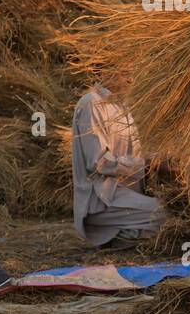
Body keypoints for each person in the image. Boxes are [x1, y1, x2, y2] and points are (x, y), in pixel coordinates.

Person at [70, 77, 166, 249]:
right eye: (127, 70)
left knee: (177, 211)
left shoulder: (122, 105)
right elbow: (99, 162)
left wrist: (160, 159)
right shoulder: (92, 103)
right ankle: (115, 236)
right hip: (103, 199)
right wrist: (147, 165)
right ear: (109, 67)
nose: (133, 77)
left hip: (124, 195)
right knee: (164, 215)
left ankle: (122, 233)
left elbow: (131, 155)